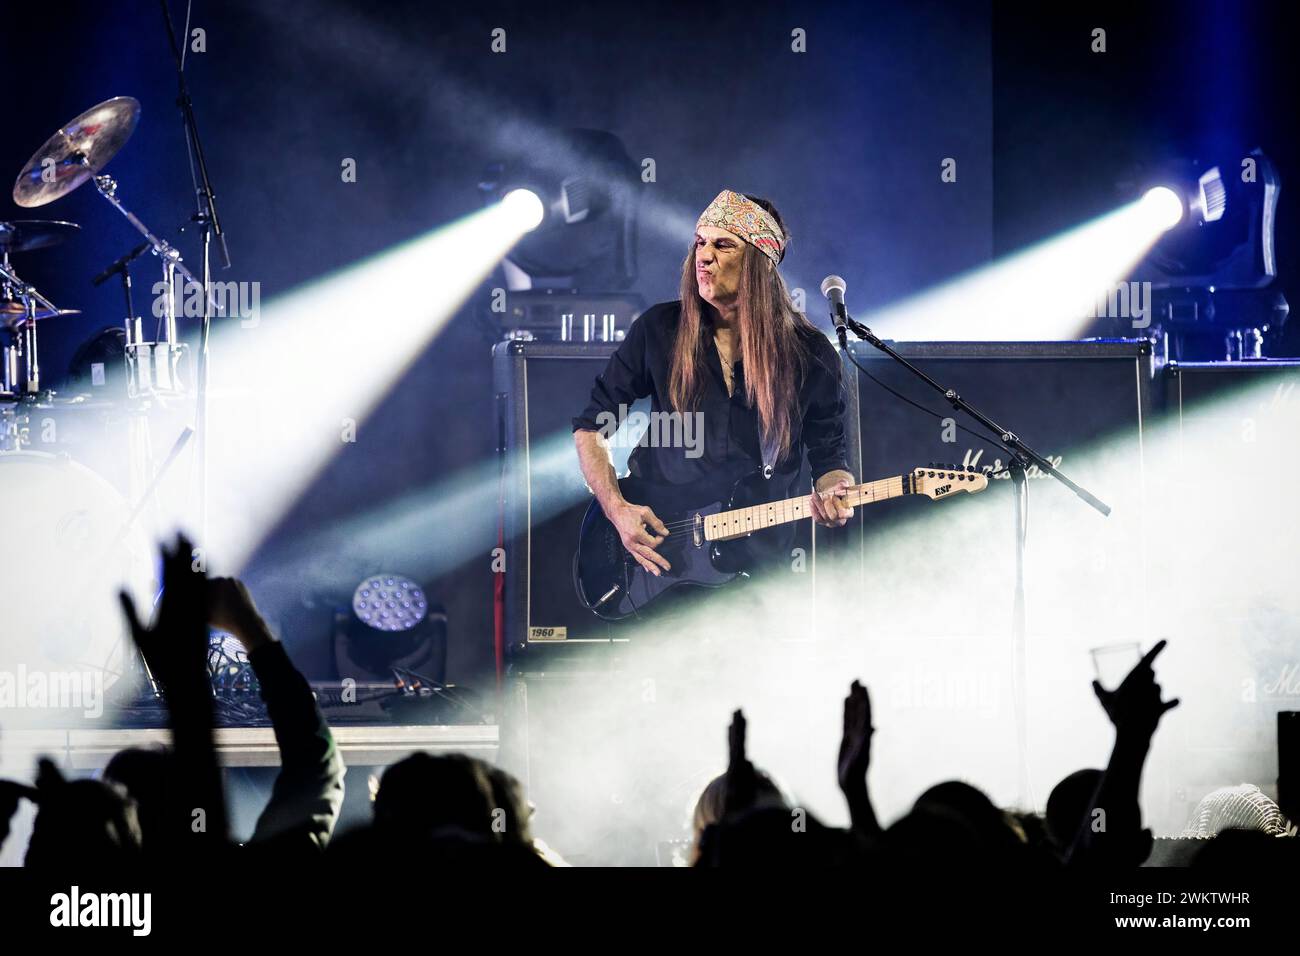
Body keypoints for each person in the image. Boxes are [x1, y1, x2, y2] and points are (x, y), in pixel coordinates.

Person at [573, 190, 854, 583]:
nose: (703, 257)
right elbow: (590, 428)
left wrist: (835, 491)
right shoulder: (659, 330)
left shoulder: (810, 353)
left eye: (723, 245)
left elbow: (830, 457)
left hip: (760, 569)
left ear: (760, 263)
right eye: (700, 243)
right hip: (662, 558)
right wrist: (618, 509)